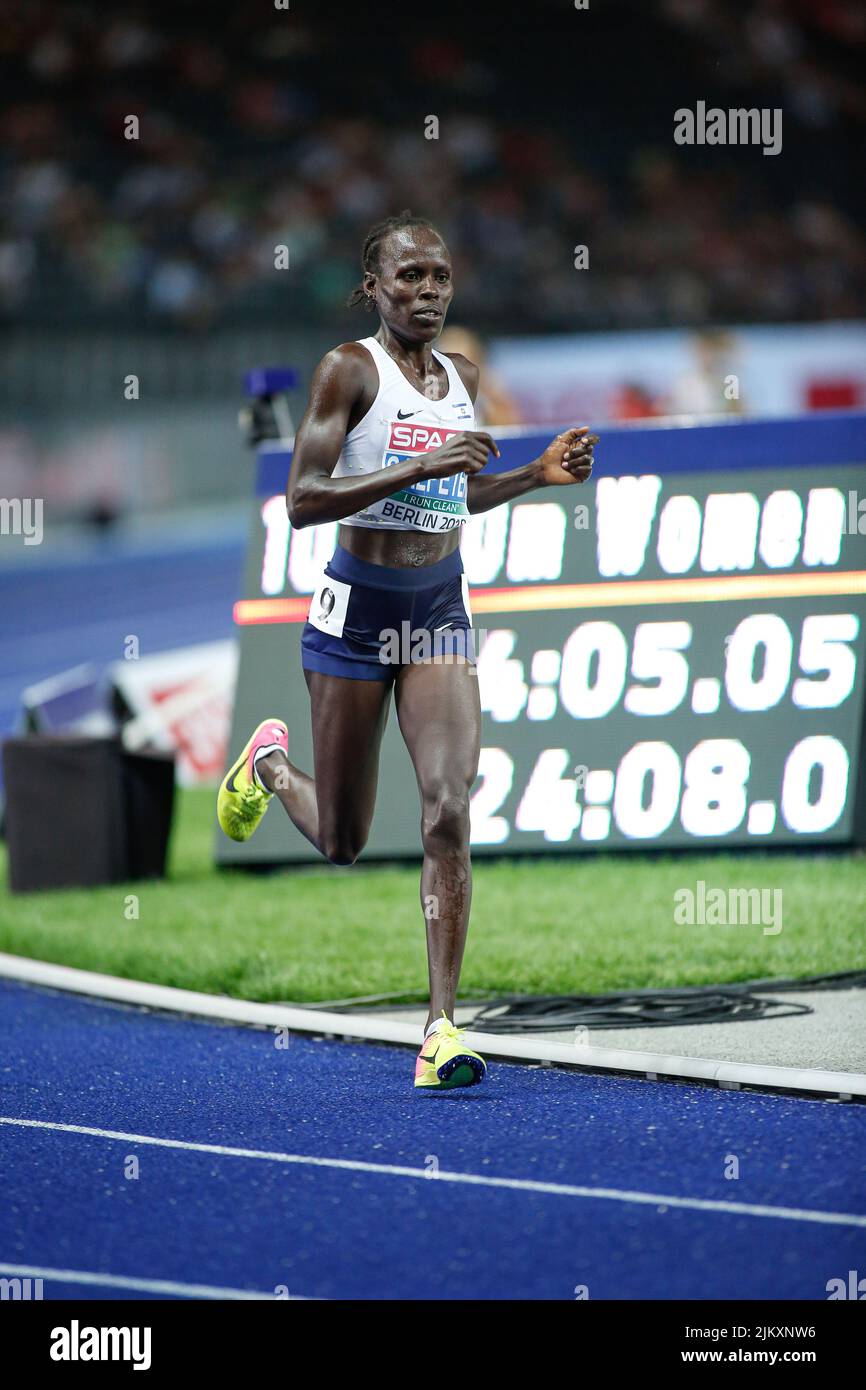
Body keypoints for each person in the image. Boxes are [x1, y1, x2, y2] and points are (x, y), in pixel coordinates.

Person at [217, 211, 597, 1090]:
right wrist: (422, 466)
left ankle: (440, 1031)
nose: (426, 293)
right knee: (346, 840)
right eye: (408, 279)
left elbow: (457, 499)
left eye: (439, 278)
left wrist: (535, 475)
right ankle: (270, 768)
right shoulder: (349, 370)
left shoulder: (461, 376)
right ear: (373, 287)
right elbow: (306, 498)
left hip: (437, 614)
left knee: (447, 807)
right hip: (353, 619)